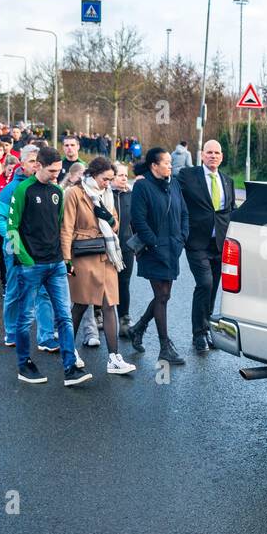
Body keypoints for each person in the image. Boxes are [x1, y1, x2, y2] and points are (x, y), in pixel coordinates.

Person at [5, 146, 91, 386]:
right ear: (38, 166)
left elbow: (61, 227)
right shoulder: (23, 190)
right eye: (52, 170)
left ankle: (70, 367)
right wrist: (25, 259)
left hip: (56, 265)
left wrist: (66, 258)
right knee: (25, 319)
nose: (56, 175)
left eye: (59, 170)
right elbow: (12, 228)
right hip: (31, 266)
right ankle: (24, 364)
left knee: (64, 316)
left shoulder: (57, 192)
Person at [61, 157, 136, 376]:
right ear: (93, 174)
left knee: (109, 304)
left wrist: (108, 218)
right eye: (105, 179)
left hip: (106, 254)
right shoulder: (74, 193)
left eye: (111, 179)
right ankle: (70, 351)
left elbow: (115, 224)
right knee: (81, 305)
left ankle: (113, 357)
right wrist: (66, 259)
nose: (108, 183)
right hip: (83, 254)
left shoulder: (107, 194)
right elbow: (66, 228)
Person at [0, 145, 60, 352]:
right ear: (22, 164)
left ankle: (46, 337)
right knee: (14, 292)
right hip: (14, 249)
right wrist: (17, 239)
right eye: (31, 161)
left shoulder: (50, 187)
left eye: (38, 161)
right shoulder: (12, 189)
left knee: (44, 293)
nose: (36, 164)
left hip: (42, 250)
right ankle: (11, 333)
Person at [128, 146, 190, 365]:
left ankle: (139, 328)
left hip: (172, 248)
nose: (170, 166)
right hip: (153, 250)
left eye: (170, 163)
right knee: (162, 296)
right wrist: (154, 242)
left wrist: (182, 236)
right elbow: (138, 220)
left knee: (164, 296)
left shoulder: (173, 184)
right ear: (154, 166)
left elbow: (183, 212)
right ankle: (165, 347)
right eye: (166, 163)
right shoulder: (142, 186)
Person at [178, 138, 236, 351]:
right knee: (205, 284)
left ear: (221, 157)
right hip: (196, 241)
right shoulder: (188, 176)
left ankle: (207, 329)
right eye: (209, 152)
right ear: (202, 155)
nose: (213, 156)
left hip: (220, 243)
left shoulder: (227, 180)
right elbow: (173, 194)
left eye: (217, 153)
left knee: (213, 288)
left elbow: (230, 211)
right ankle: (198, 334)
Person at [112, 162, 135, 338]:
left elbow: (137, 222)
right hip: (107, 246)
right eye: (120, 175)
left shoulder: (131, 195)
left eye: (126, 175)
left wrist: (136, 245)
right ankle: (98, 313)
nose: (124, 178)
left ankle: (124, 318)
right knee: (104, 283)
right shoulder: (104, 194)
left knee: (124, 282)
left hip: (126, 246)